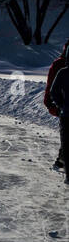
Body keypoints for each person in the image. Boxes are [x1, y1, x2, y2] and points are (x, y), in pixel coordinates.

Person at [45, 38, 69, 170]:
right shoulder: (59, 65)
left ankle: (62, 158)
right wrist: (56, 107)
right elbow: (51, 90)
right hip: (65, 110)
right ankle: (63, 159)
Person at [49, 54, 69, 185]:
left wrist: (61, 105)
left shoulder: (63, 72)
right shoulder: (62, 72)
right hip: (67, 113)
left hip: (67, 114)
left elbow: (53, 91)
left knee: (67, 144)